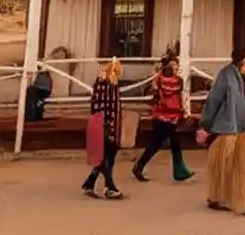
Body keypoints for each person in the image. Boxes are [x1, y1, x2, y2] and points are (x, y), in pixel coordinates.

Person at [199, 48, 245, 216]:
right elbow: (214, 99)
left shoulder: (242, 79)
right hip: (227, 128)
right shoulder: (226, 75)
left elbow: (244, 104)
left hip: (242, 127)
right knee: (225, 166)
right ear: (240, 61)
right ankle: (219, 198)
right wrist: (206, 123)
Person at [132, 56, 194, 183]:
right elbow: (164, 97)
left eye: (177, 65)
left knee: (155, 144)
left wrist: (181, 111)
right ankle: (179, 170)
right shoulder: (167, 81)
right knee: (174, 142)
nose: (176, 68)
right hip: (165, 118)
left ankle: (139, 166)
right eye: (174, 65)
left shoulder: (169, 80)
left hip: (164, 117)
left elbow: (176, 98)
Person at [83, 58, 124, 200]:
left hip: (105, 125)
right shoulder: (108, 86)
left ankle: (90, 183)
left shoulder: (104, 84)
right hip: (106, 127)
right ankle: (110, 187)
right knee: (106, 158)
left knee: (107, 158)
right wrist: (111, 129)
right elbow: (108, 109)